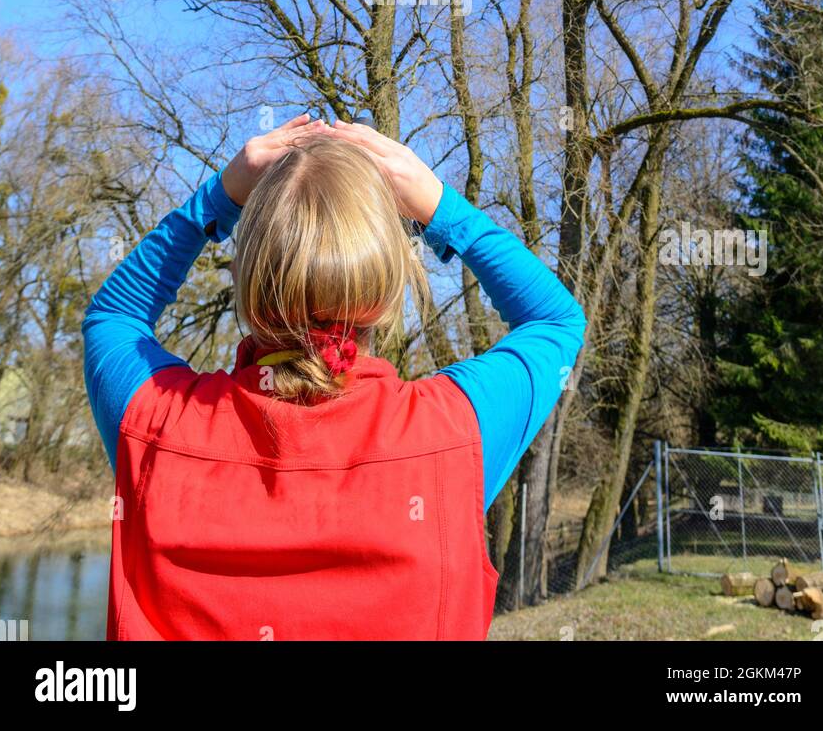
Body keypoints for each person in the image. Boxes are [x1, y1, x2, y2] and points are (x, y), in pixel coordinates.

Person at [83, 113, 586, 641]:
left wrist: (220, 197)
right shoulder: (453, 435)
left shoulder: (154, 427)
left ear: (247, 281)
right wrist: (440, 206)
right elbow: (555, 320)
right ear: (389, 289)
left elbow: (113, 317)